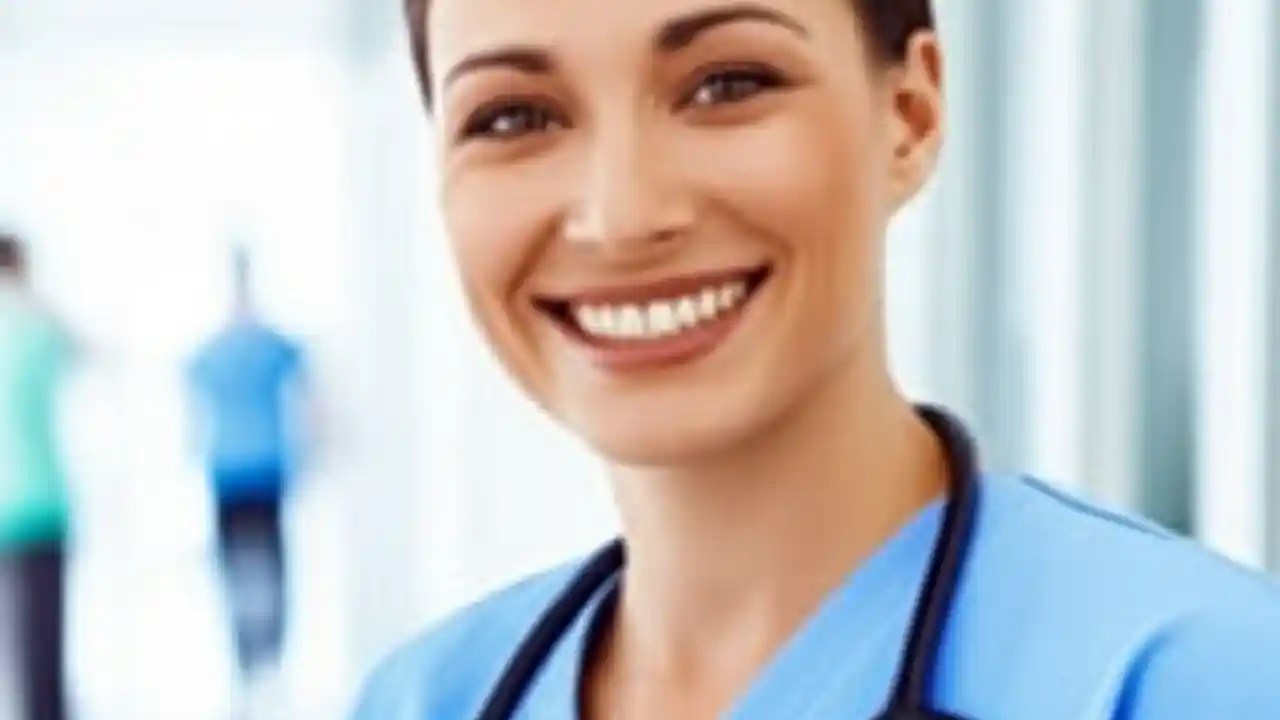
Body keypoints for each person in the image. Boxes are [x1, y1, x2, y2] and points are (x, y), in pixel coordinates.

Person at [356, 1, 1280, 717]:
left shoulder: (1196, 675)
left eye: (727, 85)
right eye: (514, 118)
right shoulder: (425, 700)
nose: (622, 216)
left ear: (909, 117)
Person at [187, 246, 307, 693]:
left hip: (234, 471)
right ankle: (265, 660)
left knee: (240, 566)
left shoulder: (211, 351)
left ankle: (253, 662)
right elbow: (311, 401)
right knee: (271, 565)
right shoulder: (271, 344)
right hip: (261, 469)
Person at [0, 232, 73, 720]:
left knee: (15, 647)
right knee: (42, 648)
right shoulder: (38, 326)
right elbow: (87, 348)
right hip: (42, 505)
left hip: (14, 506)